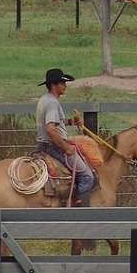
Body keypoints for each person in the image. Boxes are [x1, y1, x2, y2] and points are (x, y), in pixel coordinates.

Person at [35, 68, 95, 207]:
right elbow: (50, 129)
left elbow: (52, 123)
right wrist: (66, 147)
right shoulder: (53, 103)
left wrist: (69, 122)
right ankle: (81, 213)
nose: (65, 86)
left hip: (42, 145)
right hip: (53, 147)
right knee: (87, 176)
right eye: (62, 83)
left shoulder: (44, 100)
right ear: (53, 85)